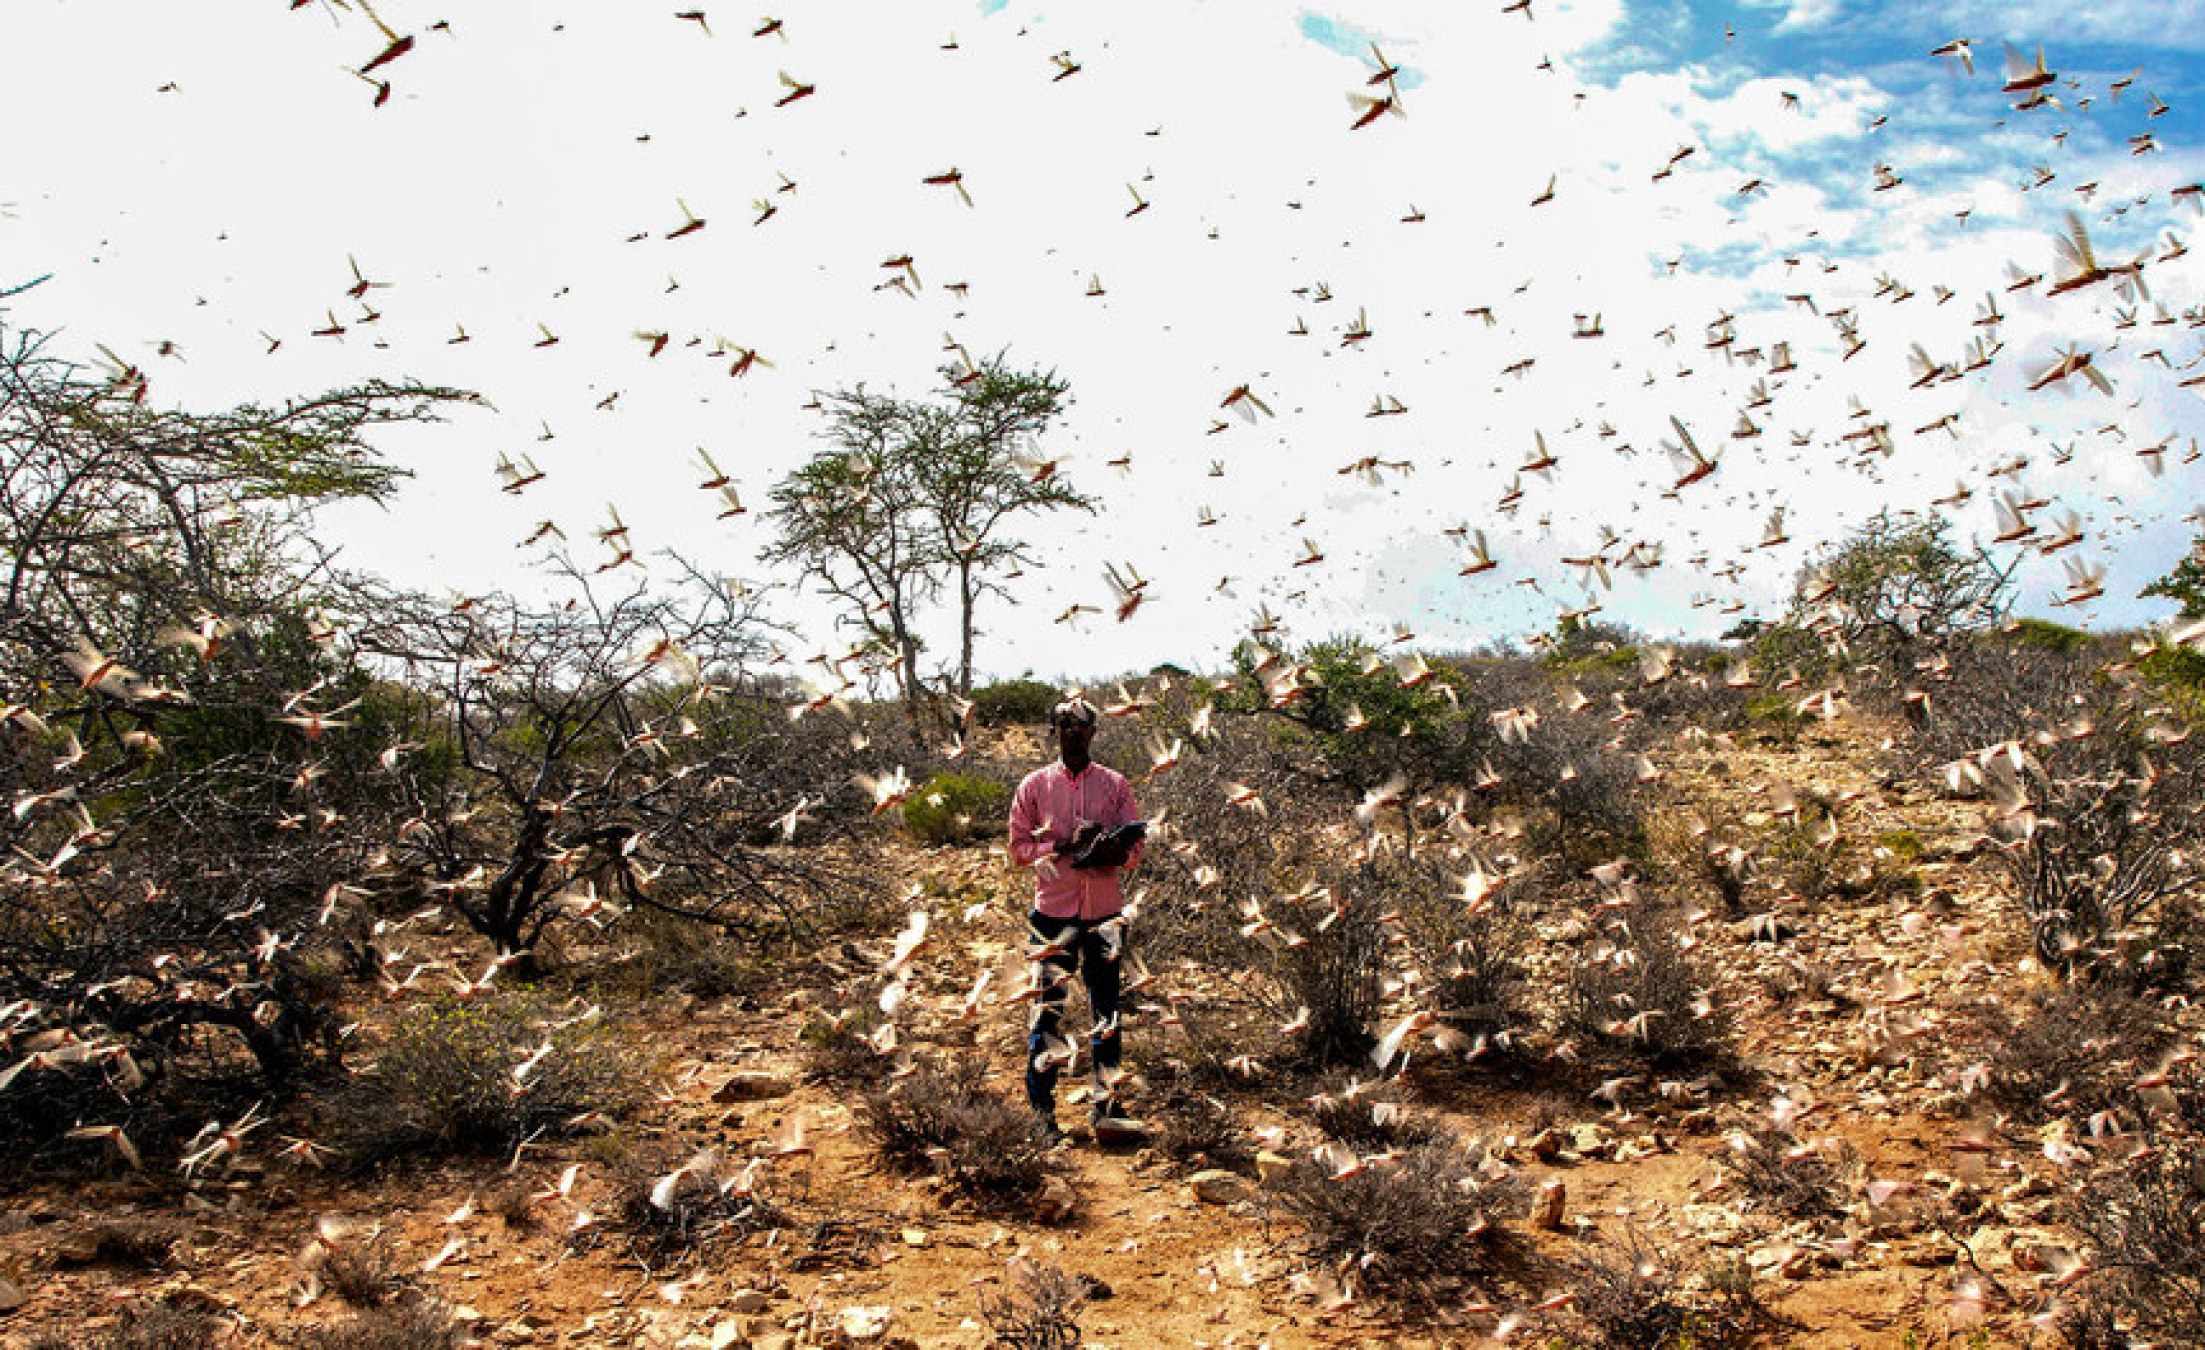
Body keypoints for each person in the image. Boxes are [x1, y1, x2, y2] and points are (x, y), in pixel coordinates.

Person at [1007, 695, 1145, 1141]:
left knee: (1107, 1013)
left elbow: (1136, 850)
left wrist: (1108, 848)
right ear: (1054, 731)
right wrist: (1066, 847)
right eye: (1064, 724)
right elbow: (1018, 849)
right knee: (1046, 1012)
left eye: (1081, 724)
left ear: (1093, 732)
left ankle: (1106, 1108)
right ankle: (1041, 1115)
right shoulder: (1033, 786)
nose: (1073, 731)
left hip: (1104, 913)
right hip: (1052, 916)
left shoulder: (1115, 786)